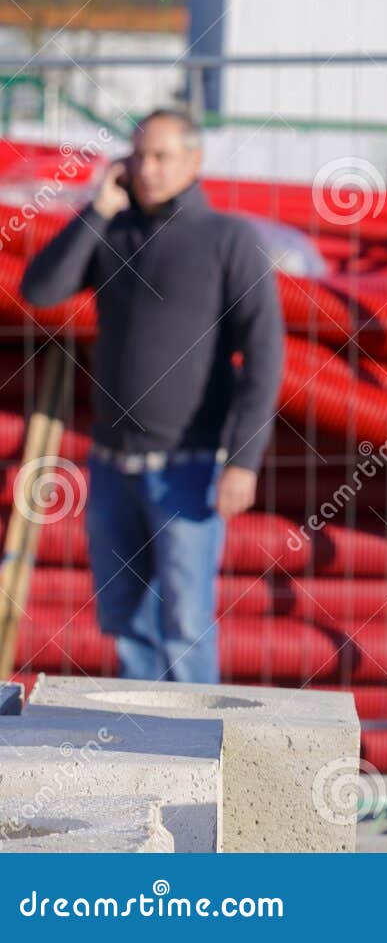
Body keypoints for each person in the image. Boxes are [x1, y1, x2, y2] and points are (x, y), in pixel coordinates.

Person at [21, 109, 284, 684]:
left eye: (162, 156)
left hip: (187, 469)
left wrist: (243, 460)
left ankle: (197, 763)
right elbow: (39, 289)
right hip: (114, 467)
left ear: (194, 161)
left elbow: (265, 358)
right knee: (127, 624)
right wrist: (97, 209)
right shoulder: (113, 231)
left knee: (184, 628)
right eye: (139, 155)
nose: (147, 169)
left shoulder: (227, 240)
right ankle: (144, 765)